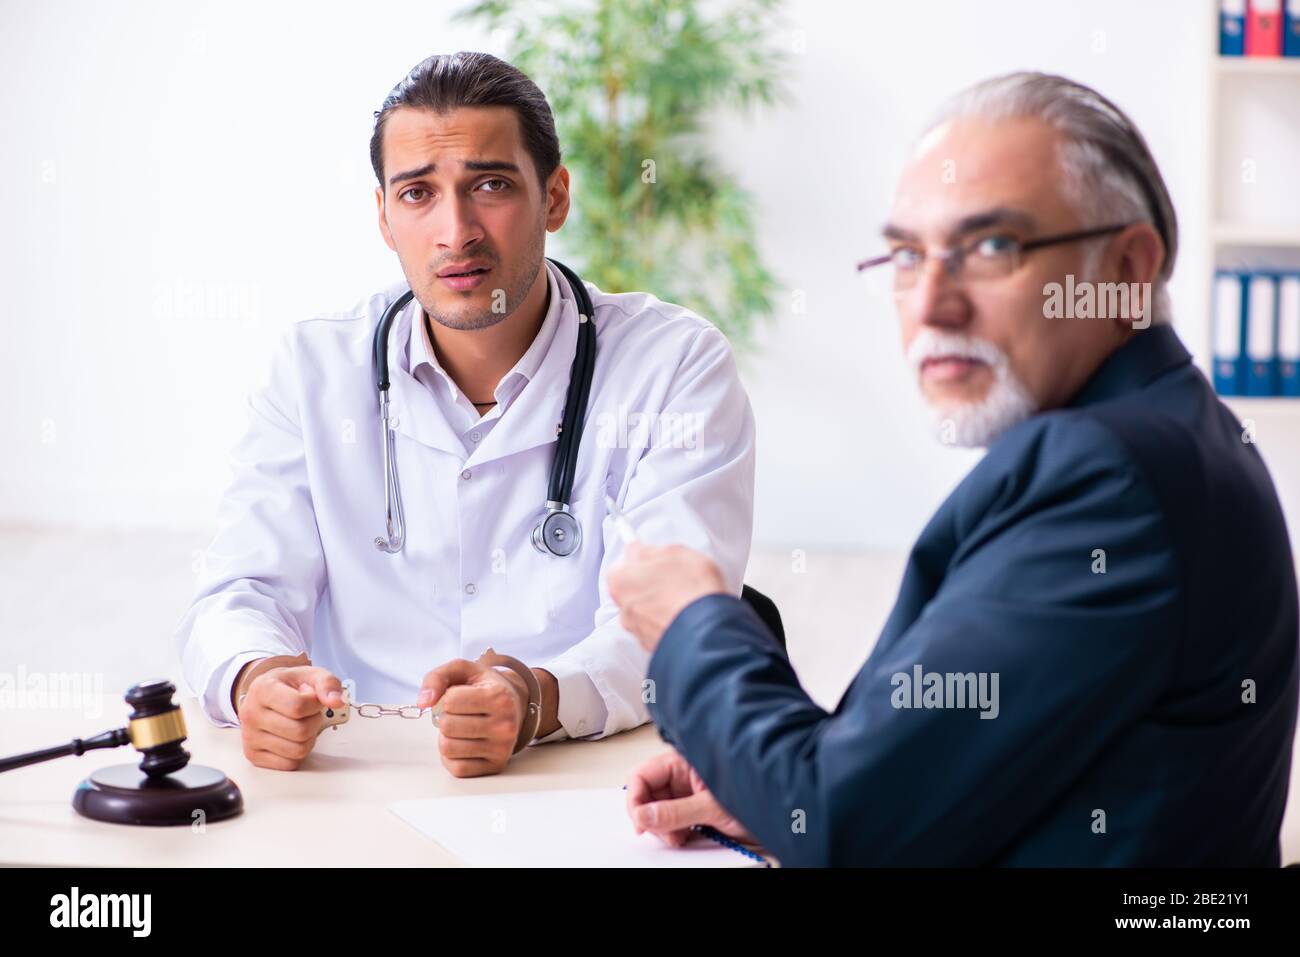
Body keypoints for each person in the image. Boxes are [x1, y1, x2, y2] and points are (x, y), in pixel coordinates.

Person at [609, 72, 1298, 865]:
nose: (931, 303)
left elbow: (848, 829)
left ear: (1127, 270)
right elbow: (970, 783)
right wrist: (764, 783)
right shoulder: (1175, 428)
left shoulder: (1104, 474)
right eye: (907, 254)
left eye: (992, 247)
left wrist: (694, 625)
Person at [174, 52, 755, 777]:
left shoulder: (672, 366)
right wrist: (252, 676)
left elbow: (677, 627)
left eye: (490, 184)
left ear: (555, 197)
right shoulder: (313, 368)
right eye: (418, 193)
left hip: (583, 767)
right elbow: (239, 590)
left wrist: (538, 699)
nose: (457, 230)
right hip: (356, 769)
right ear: (385, 217)